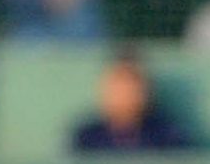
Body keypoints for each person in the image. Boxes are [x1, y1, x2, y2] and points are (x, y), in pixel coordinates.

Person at [70, 48, 203, 154]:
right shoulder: (87, 137)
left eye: (131, 84)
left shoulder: (167, 137)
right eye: (117, 84)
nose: (124, 93)